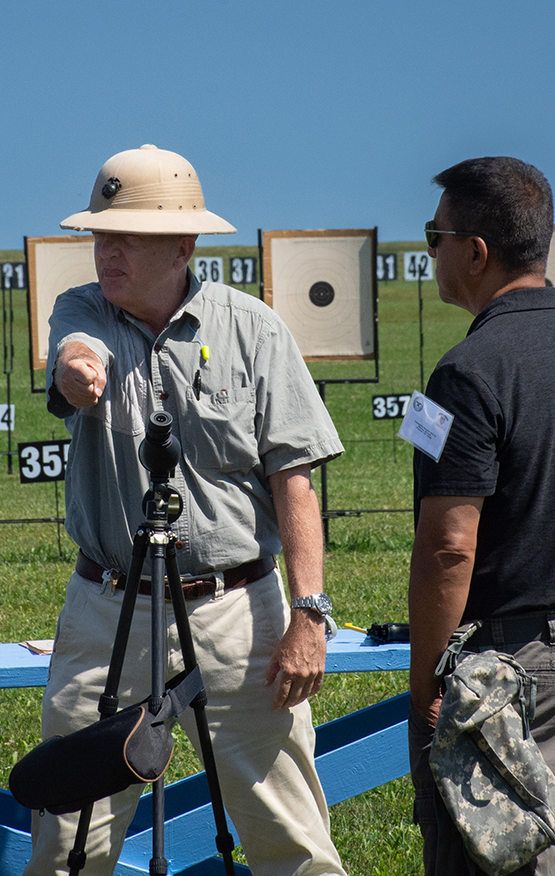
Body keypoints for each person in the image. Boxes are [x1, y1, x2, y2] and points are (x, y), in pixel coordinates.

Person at [26, 144, 347, 876]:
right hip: (107, 608)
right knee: (69, 842)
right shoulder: (84, 311)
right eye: (100, 234)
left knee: (289, 838)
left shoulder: (255, 330)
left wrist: (309, 614)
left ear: (184, 245)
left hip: (238, 612)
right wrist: (77, 373)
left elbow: (294, 484)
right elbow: (75, 350)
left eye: (126, 237)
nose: (105, 251)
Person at [407, 156, 555, 875]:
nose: (430, 254)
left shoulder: (464, 373)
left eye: (434, 236)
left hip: (519, 672)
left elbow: (449, 545)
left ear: (475, 251)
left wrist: (429, 688)